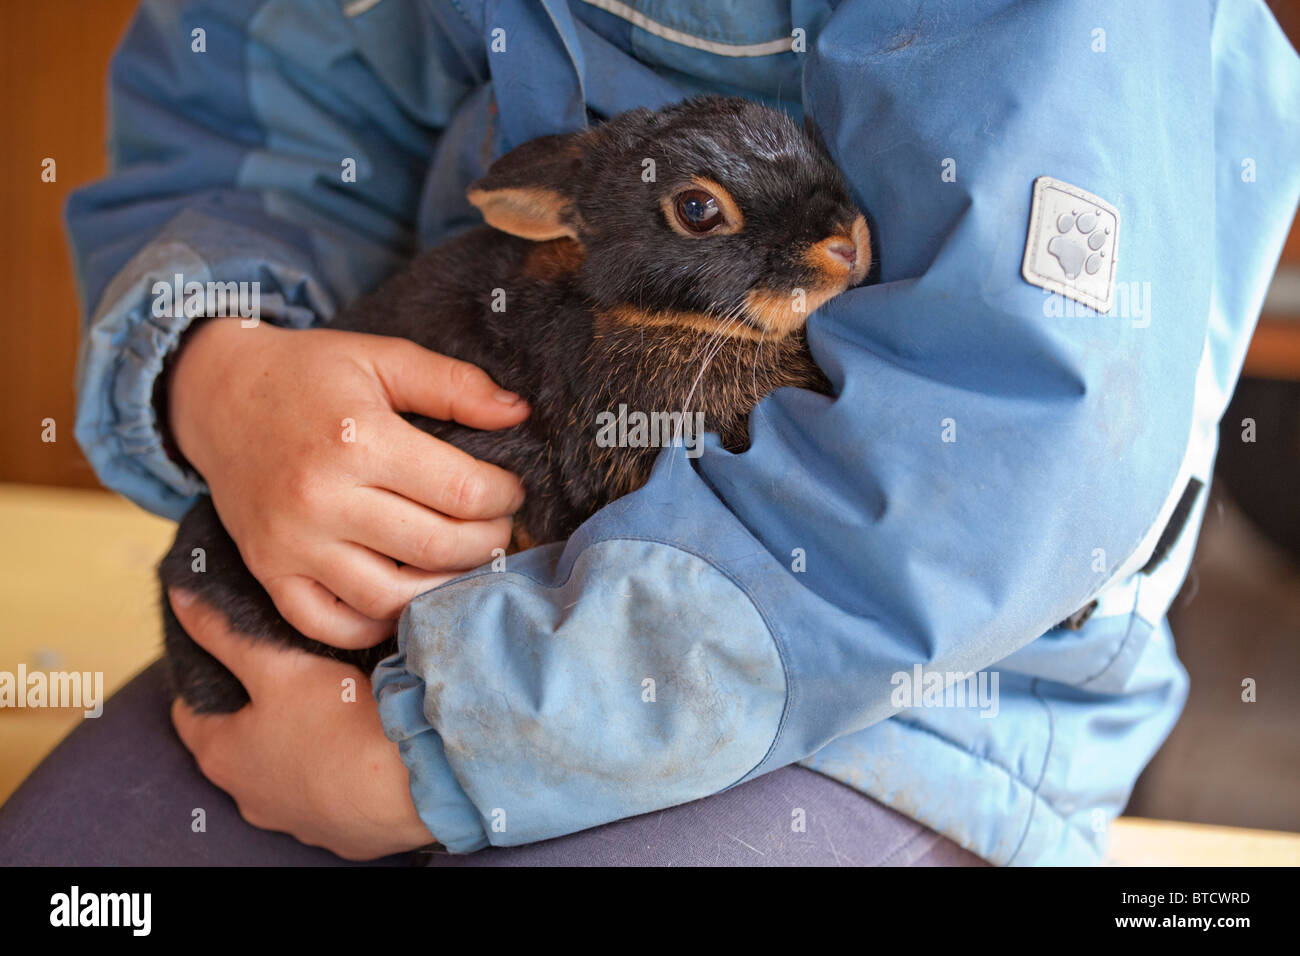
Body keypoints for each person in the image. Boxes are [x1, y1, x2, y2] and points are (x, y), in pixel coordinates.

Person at [1, 0, 1297, 866]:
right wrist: (224, 370)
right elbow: (251, 113)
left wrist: (442, 756)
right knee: (73, 860)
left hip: (881, 693)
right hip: (402, 627)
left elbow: (1017, 432)